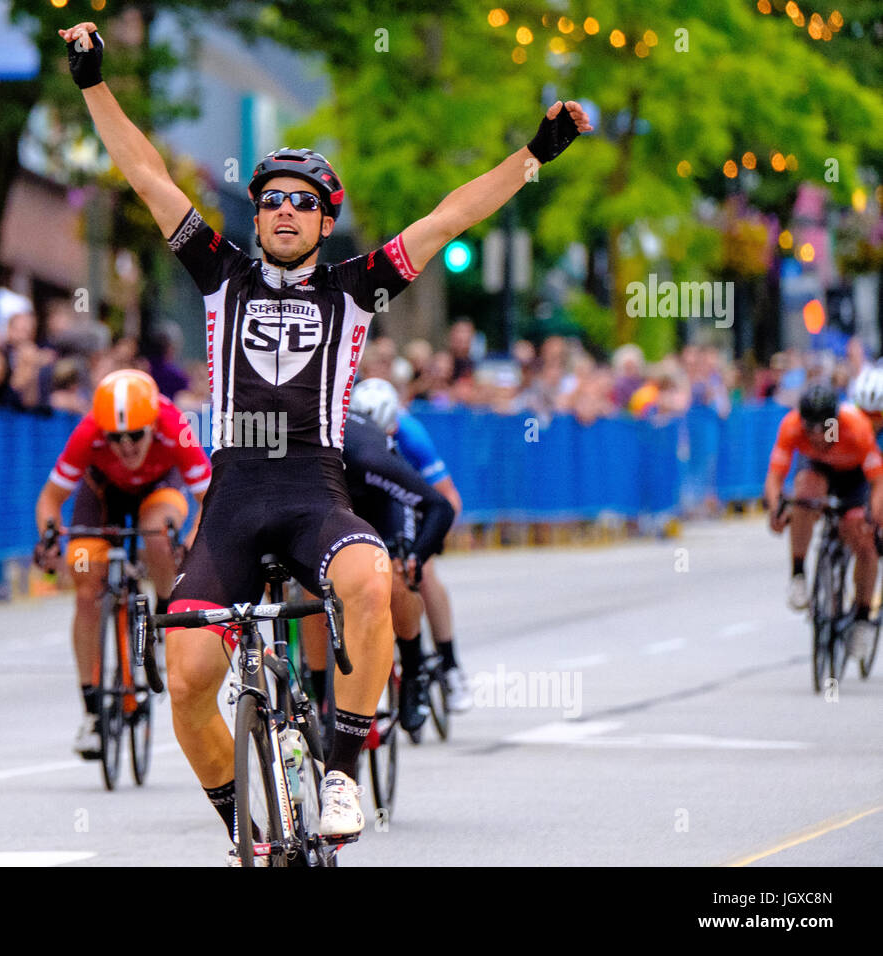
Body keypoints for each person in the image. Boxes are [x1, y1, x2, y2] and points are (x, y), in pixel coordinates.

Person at [58, 18, 589, 851]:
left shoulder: (354, 288)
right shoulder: (221, 273)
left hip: (314, 490)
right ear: (256, 213)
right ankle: (248, 832)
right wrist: (93, 83)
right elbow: (146, 173)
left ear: (325, 218)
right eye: (271, 199)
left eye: (303, 202)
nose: (284, 210)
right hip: (235, 499)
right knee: (188, 678)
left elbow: (451, 215)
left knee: (371, 578)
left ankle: (342, 770)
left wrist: (534, 155)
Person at [31, 369, 211, 757]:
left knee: (158, 536)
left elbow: (209, 498)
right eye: (116, 437)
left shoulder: (173, 425)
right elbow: (50, 499)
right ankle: (92, 711)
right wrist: (48, 537)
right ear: (103, 431)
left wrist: (191, 542)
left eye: (136, 436)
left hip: (159, 489)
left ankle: (162, 614)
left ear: (153, 426)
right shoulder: (88, 432)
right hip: (103, 492)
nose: (126, 446)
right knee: (85, 585)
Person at [300, 404, 456, 734]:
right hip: (329, 510)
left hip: (380, 505)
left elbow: (440, 507)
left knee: (397, 579)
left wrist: (417, 557)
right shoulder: (292, 454)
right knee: (309, 592)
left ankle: (412, 670)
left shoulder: (367, 457)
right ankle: (322, 699)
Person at [352, 377, 472, 714]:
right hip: (367, 501)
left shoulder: (412, 435)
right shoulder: (349, 437)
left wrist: (429, 543)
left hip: (411, 502)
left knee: (423, 572)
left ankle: (450, 664)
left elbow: (448, 498)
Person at [765, 384, 883, 661]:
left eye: (824, 427)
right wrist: (776, 508)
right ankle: (798, 574)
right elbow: (775, 476)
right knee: (803, 496)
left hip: (854, 478)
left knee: (863, 538)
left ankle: (862, 618)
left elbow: (878, 483)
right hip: (817, 470)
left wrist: (874, 519)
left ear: (836, 420)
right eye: (811, 428)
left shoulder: (857, 428)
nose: (818, 434)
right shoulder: (792, 426)